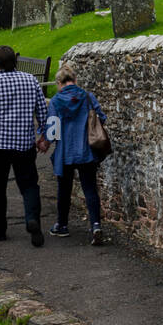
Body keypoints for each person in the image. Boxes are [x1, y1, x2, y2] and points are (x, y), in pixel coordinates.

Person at [0, 45, 49, 246]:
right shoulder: (30, 80)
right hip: (24, 145)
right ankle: (32, 219)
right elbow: (43, 112)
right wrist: (45, 137)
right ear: (15, 60)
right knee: (29, 185)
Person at [46, 64, 107, 245]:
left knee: (64, 190)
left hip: (65, 152)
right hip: (86, 150)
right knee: (90, 189)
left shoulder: (56, 101)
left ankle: (62, 225)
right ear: (75, 80)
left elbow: (52, 132)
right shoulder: (88, 97)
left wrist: (45, 141)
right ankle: (96, 225)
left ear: (59, 82)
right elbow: (101, 118)